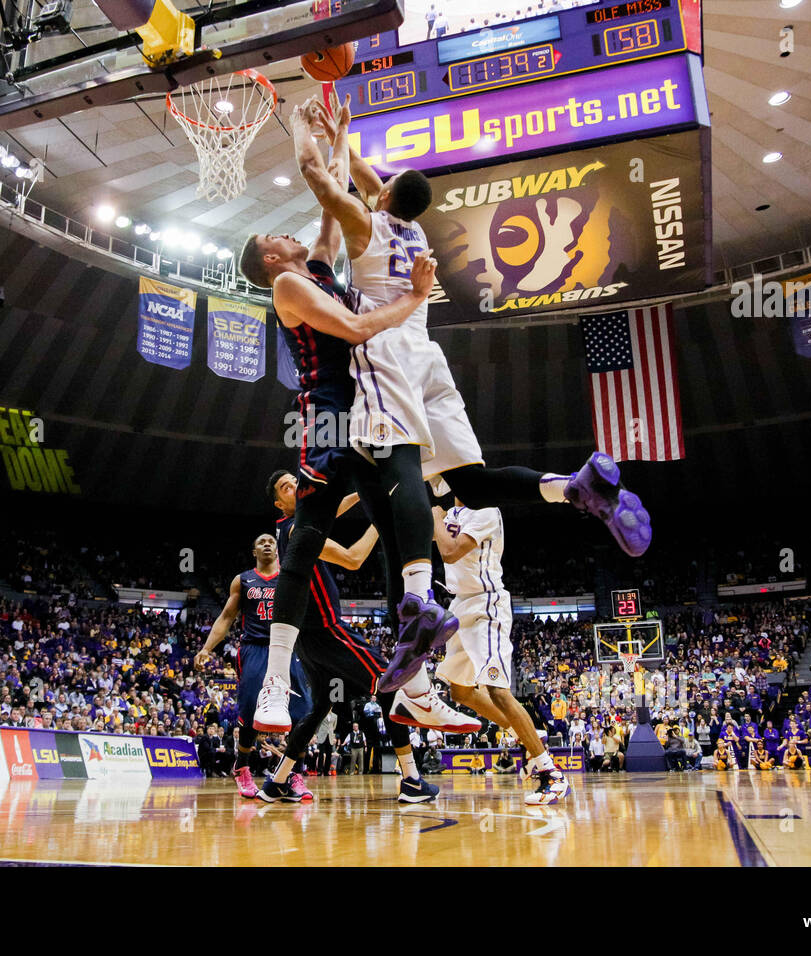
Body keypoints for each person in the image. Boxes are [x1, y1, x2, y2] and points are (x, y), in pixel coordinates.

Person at [296, 95, 652, 695]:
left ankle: (414, 603)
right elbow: (363, 177)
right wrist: (345, 136)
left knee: (399, 464)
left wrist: (306, 131)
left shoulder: (367, 225)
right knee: (471, 481)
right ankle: (572, 487)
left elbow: (320, 179)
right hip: (429, 356)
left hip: (387, 352)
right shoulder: (411, 229)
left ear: (383, 197)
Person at [236, 117, 444, 733]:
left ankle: (416, 684)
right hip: (324, 414)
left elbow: (334, 202)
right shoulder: (286, 283)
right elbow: (355, 329)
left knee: (392, 528)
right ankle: (275, 684)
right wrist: (412, 299)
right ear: (272, 257)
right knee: (306, 538)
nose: (287, 232)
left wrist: (340, 133)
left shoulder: (320, 266)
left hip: (365, 408)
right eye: (275, 233)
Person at [258, 471, 473, 803]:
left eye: (296, 483)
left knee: (318, 708)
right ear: (279, 503)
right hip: (329, 633)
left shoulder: (292, 526)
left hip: (308, 641)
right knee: (392, 685)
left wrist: (361, 494)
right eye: (287, 487)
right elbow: (354, 558)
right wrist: (381, 521)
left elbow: (329, 510)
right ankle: (412, 780)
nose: (296, 489)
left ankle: (278, 781)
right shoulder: (296, 528)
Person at [430, 499, 568, 803]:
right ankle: (524, 734)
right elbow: (425, 535)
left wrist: (435, 517)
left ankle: (550, 773)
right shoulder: (453, 513)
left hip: (486, 605)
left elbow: (450, 551)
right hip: (459, 605)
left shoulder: (487, 510)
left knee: (497, 690)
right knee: (461, 693)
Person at [194, 534, 312, 799]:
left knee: (301, 714)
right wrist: (206, 648)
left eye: (271, 540)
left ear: (279, 549)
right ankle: (243, 767)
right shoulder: (243, 580)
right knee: (251, 712)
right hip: (255, 648)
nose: (267, 544)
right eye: (261, 541)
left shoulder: (290, 577)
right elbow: (226, 617)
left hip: (288, 647)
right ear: (254, 550)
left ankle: (294, 774)